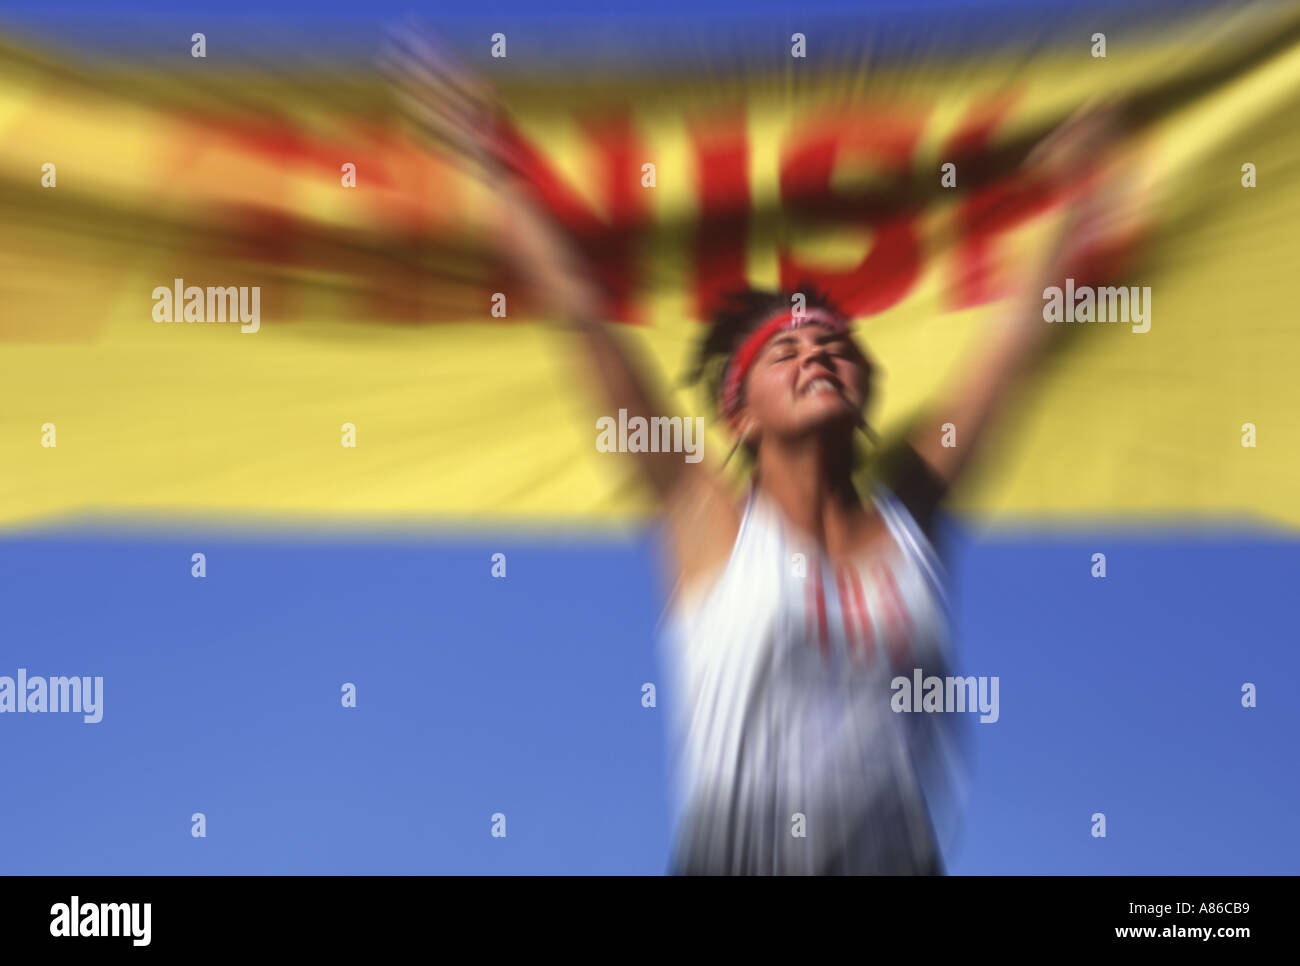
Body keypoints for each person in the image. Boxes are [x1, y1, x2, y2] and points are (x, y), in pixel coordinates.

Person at [384, 27, 1137, 874]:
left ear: (861, 391)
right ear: (738, 416)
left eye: (834, 345)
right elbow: (581, 313)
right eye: (786, 351)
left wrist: (1087, 195)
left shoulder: (913, 514)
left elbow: (1015, 345)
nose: (816, 353)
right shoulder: (702, 515)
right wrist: (495, 165)